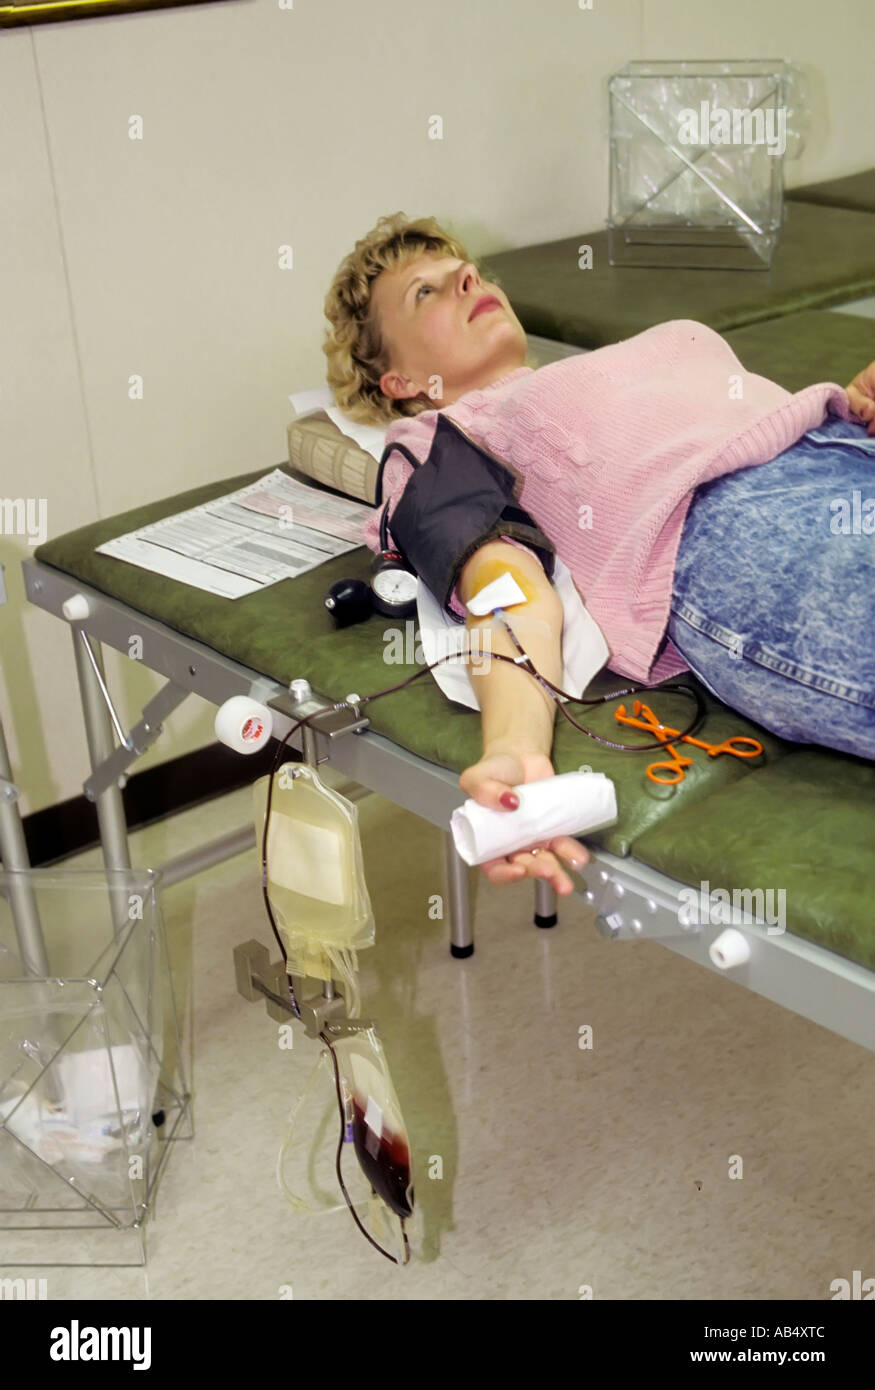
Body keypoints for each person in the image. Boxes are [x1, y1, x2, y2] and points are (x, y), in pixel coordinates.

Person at [323, 213, 875, 896]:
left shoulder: (590, 370)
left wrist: (849, 411)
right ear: (399, 379)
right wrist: (514, 749)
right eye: (425, 293)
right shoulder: (438, 439)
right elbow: (504, 590)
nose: (467, 277)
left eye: (462, 269)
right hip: (746, 532)